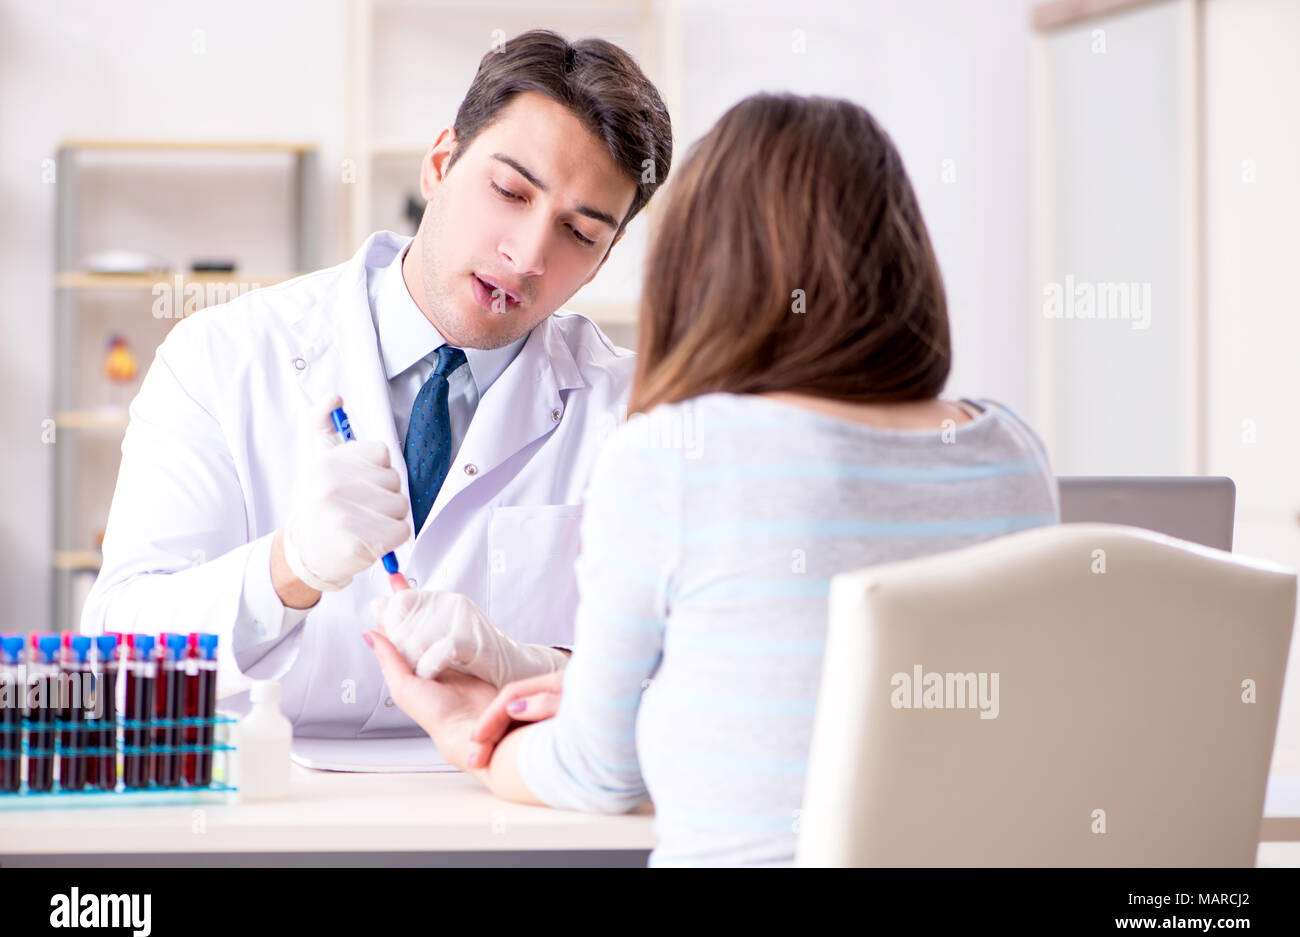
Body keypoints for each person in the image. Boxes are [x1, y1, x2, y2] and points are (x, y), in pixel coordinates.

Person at [366, 92, 1061, 866]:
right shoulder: (1013, 456)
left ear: (701, 262)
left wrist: (473, 736)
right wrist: (662, 708)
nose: (530, 252)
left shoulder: (675, 454)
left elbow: (600, 773)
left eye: (581, 231)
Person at [80, 30, 673, 737]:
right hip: (261, 821)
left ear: (603, 263)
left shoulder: (636, 409)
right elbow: (114, 659)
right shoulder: (219, 356)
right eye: (510, 191)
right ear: (440, 164)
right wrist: (286, 567)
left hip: (507, 827)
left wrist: (531, 667)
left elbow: (689, 678)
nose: (527, 256)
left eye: (579, 234)